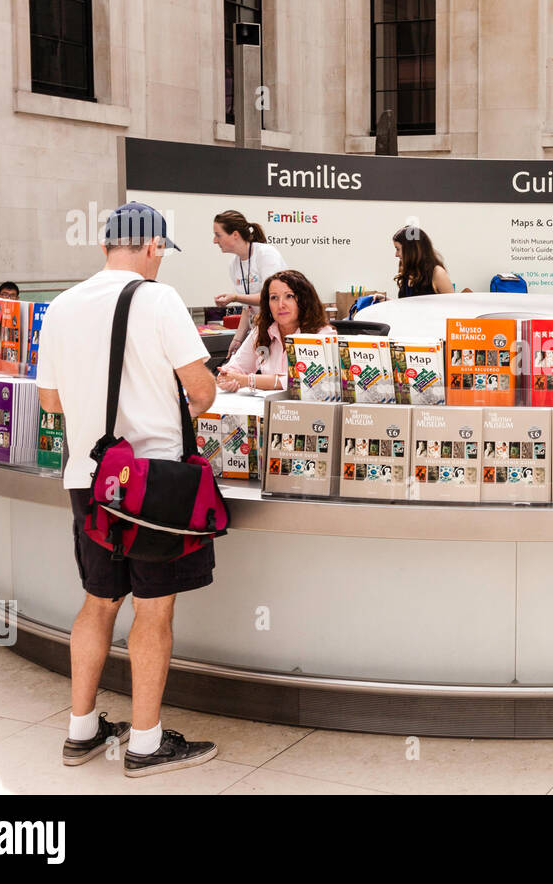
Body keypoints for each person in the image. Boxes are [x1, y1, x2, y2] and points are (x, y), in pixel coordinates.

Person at [36, 202, 219, 777]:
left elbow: (50, 402)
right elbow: (203, 391)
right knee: (153, 612)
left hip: (87, 481)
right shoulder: (158, 299)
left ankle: (82, 731)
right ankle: (145, 744)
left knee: (97, 602)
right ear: (152, 247)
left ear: (105, 245)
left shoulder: (61, 305)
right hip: (151, 488)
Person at [216, 270, 335, 392]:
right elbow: (233, 368)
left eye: (289, 296)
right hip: (264, 408)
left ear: (304, 300)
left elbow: (301, 380)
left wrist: (248, 380)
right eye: (274, 298)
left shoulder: (323, 335)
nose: (280, 305)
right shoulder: (262, 331)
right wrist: (227, 378)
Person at [213, 210, 285, 357]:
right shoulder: (234, 265)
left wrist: (234, 297)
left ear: (235, 235)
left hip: (282, 330)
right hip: (260, 331)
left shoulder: (265, 254)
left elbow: (271, 297)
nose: (215, 240)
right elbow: (248, 308)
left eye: (218, 235)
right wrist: (237, 339)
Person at [391, 226, 454, 298]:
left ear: (411, 250)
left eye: (398, 249)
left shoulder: (437, 273)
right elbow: (408, 304)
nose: (396, 254)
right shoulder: (408, 272)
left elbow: (452, 305)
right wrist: (387, 301)